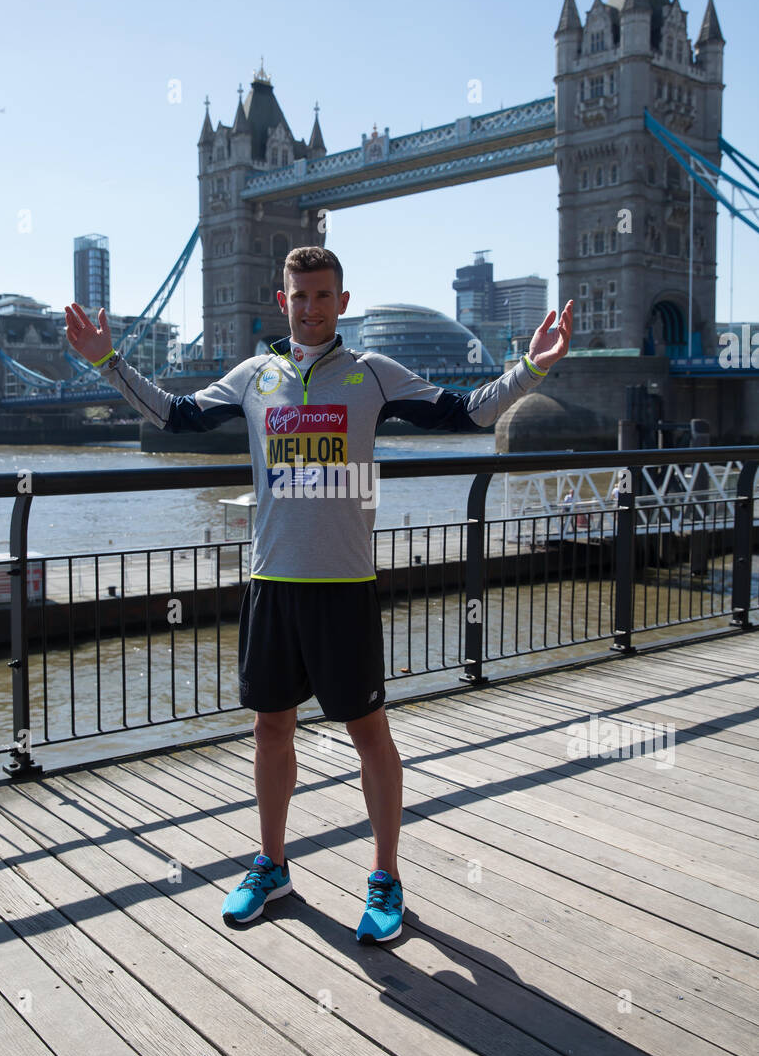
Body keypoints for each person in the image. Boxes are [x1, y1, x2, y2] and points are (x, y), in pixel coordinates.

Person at [65, 248, 573, 943]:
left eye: (323, 296)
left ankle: (386, 878)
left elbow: (469, 413)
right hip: (272, 584)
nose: (310, 308)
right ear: (283, 301)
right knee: (270, 729)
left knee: (369, 735)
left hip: (344, 586)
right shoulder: (254, 377)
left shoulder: (372, 375)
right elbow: (175, 416)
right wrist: (107, 362)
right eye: (299, 296)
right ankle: (272, 865)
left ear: (342, 301)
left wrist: (533, 368)